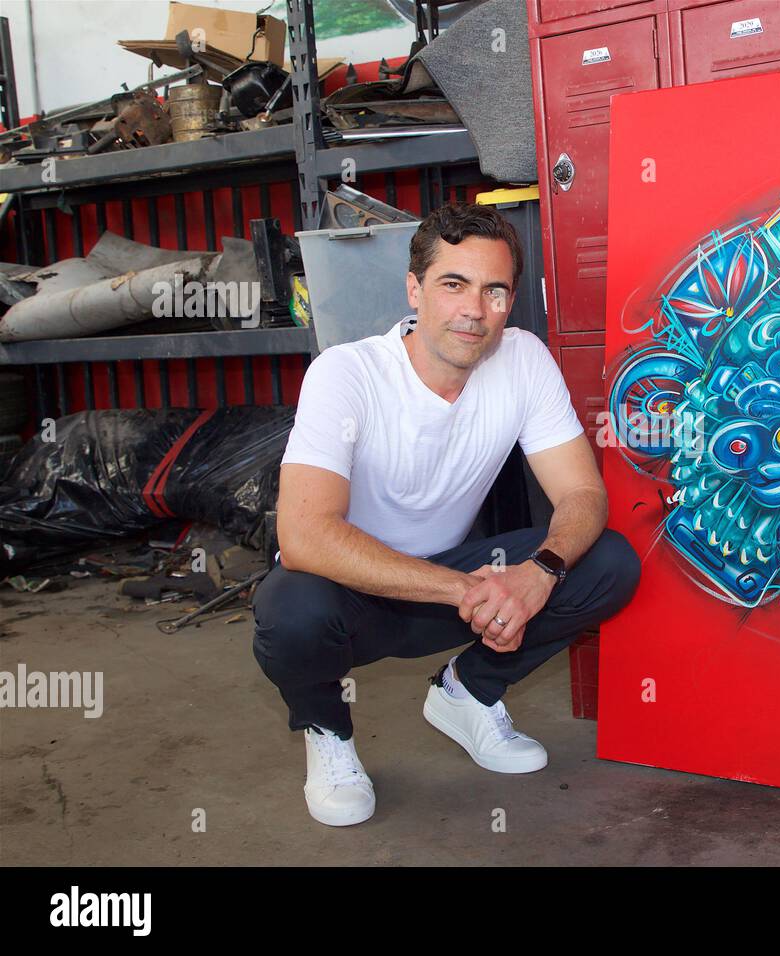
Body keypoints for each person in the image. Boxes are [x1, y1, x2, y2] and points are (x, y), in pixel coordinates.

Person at [251, 202, 641, 826]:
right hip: (355, 597)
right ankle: (327, 732)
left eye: (494, 290)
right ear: (415, 290)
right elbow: (303, 536)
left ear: (511, 299)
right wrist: (469, 588)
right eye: (453, 285)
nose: (474, 310)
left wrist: (536, 572)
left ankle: (469, 691)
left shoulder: (523, 359)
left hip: (451, 592)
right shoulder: (346, 374)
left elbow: (583, 496)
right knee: (288, 609)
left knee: (608, 561)